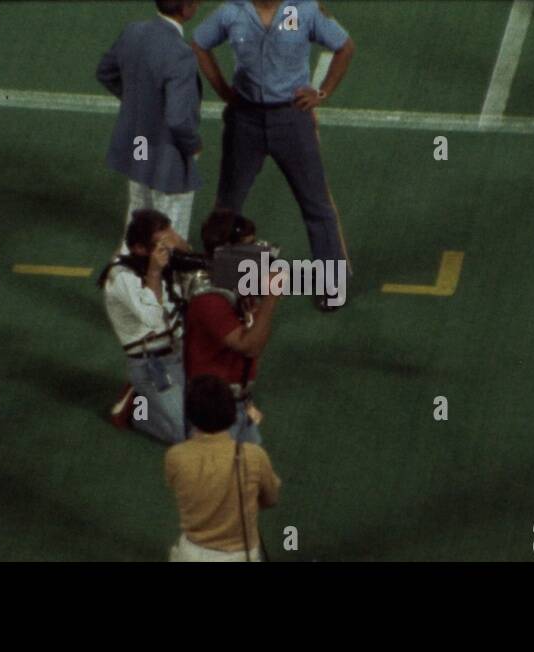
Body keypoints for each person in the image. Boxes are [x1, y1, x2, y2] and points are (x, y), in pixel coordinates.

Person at [192, 0, 355, 311]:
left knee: (317, 205)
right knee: (226, 206)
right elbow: (199, 44)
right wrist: (225, 91)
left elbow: (345, 46)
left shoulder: (305, 9)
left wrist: (322, 93)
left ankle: (332, 285)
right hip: (245, 120)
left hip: (291, 119)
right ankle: (221, 283)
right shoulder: (231, 11)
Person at [96, 0, 204, 246]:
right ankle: (161, 283)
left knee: (137, 221)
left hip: (139, 144)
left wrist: (141, 104)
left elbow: (106, 72)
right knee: (169, 233)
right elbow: (178, 119)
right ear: (185, 9)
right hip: (168, 153)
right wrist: (193, 144)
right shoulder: (180, 53)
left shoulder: (133, 31)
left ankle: (125, 278)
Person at [184, 210, 280, 444]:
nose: (258, 252)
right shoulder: (210, 299)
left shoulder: (234, 281)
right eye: (249, 247)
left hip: (236, 400)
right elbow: (250, 347)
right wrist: (271, 297)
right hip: (214, 408)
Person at [166, 374, 281, 561]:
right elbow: (271, 498)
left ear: (191, 414)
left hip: (191, 553)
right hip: (239, 555)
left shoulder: (175, 456)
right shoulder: (254, 456)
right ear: (231, 412)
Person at [100, 209, 188, 444]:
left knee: (215, 415)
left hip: (180, 350)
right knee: (184, 433)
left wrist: (181, 245)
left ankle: (152, 397)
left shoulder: (165, 256)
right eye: (162, 244)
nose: (168, 250)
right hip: (152, 363)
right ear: (140, 248)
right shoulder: (120, 277)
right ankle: (135, 411)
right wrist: (155, 272)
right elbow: (151, 317)